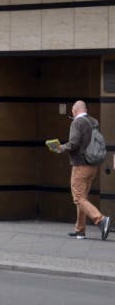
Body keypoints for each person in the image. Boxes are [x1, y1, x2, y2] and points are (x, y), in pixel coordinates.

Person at [54, 100, 111, 240]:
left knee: (78, 198)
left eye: (72, 111)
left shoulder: (77, 122)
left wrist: (60, 148)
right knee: (83, 199)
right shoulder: (93, 121)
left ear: (74, 111)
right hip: (93, 165)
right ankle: (80, 230)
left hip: (80, 165)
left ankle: (101, 220)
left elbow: (74, 143)